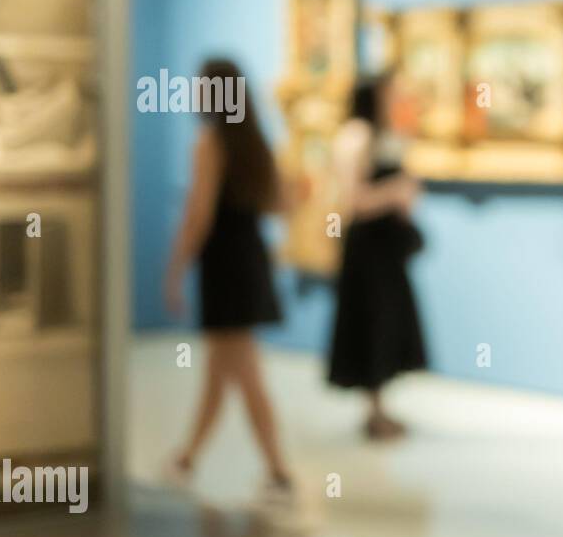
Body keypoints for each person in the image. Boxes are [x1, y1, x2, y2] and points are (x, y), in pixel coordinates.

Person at [164, 57, 297, 505]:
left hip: (225, 264)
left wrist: (176, 269)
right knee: (221, 371)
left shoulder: (210, 144)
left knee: (242, 371)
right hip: (249, 258)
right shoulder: (256, 143)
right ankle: (187, 457)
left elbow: (198, 215)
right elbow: (280, 203)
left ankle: (279, 471)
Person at [326, 75, 427, 438]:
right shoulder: (358, 135)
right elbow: (355, 199)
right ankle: (374, 411)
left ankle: (380, 407)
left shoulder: (380, 135)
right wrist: (396, 191)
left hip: (384, 248)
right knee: (371, 324)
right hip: (368, 249)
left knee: (385, 324)